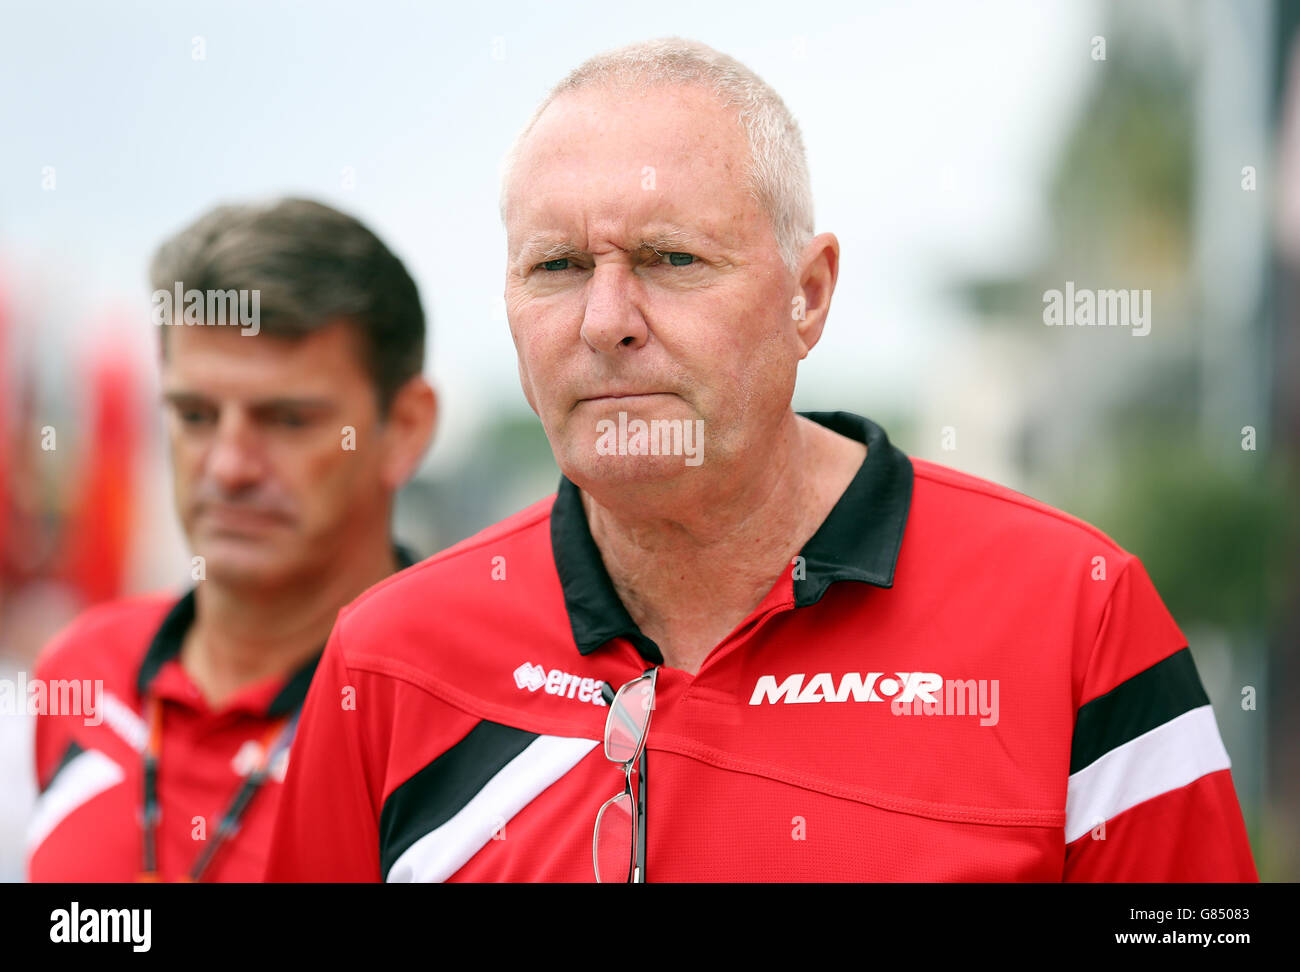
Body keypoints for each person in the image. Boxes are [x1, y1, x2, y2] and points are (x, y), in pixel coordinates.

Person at [264, 39, 1257, 882]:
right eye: (557, 267)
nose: (605, 323)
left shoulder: (1076, 618)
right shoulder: (386, 661)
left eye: (672, 260)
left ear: (808, 296)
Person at [27, 198, 436, 881]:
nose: (229, 466)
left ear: (404, 428)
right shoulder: (82, 670)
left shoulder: (467, 719)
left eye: (287, 419)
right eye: (194, 414)